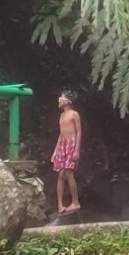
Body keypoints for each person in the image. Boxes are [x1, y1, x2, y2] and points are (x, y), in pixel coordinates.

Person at [51, 91, 82, 222]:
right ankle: (60, 204)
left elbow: (79, 132)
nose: (59, 100)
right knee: (60, 175)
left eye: (61, 98)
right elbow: (61, 134)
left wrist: (77, 150)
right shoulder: (62, 115)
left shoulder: (74, 114)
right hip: (63, 145)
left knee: (69, 173)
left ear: (67, 101)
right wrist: (55, 151)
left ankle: (75, 202)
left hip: (71, 144)